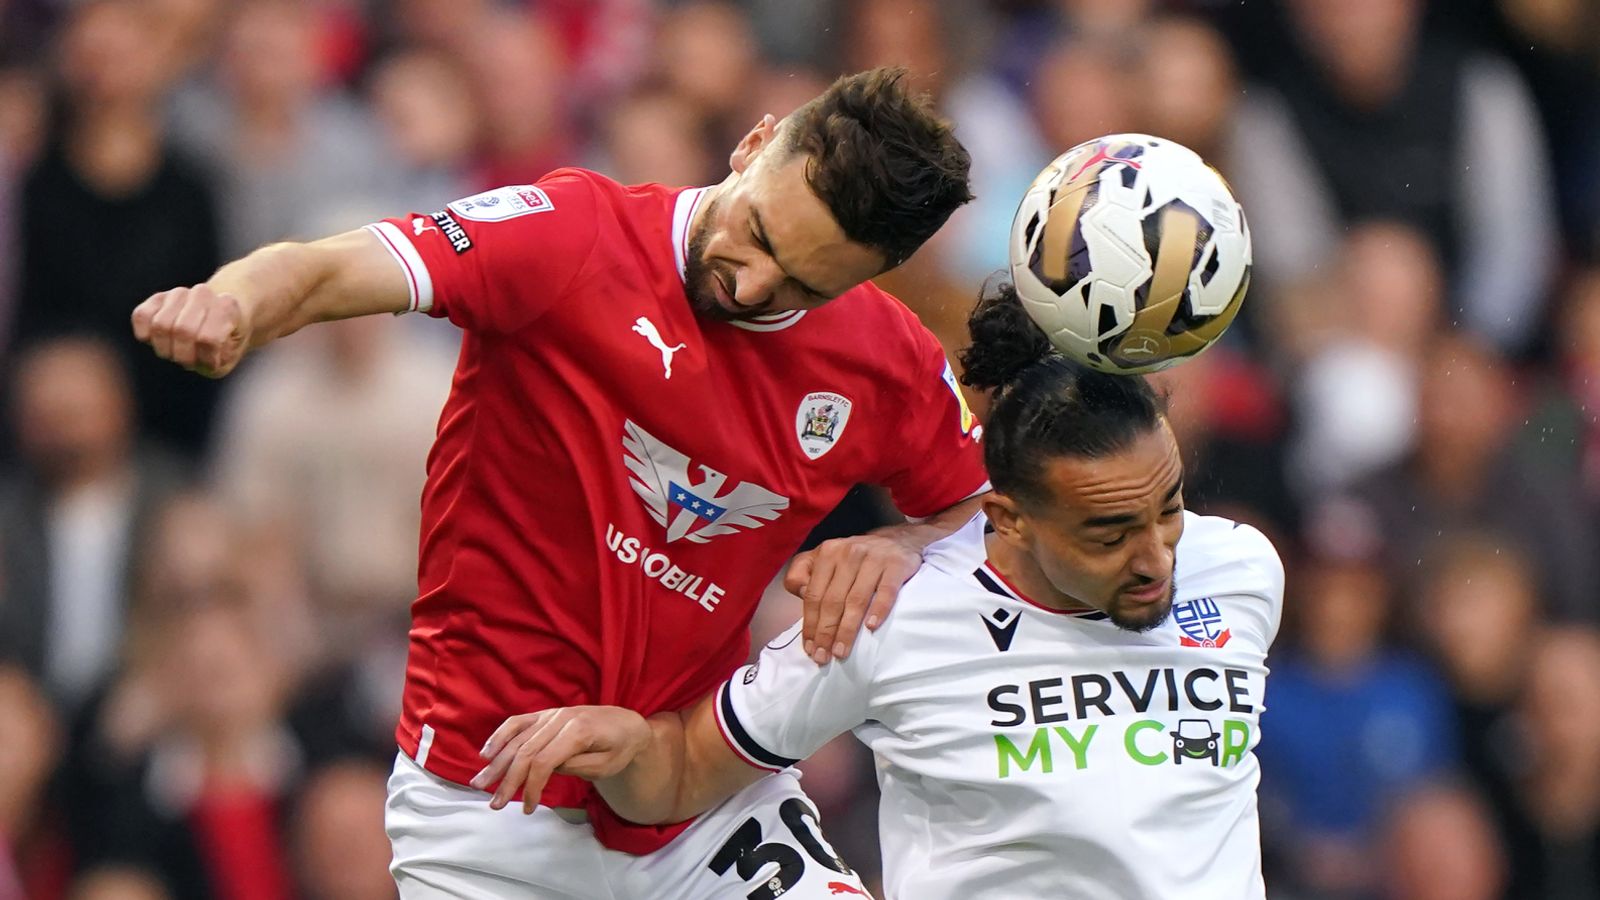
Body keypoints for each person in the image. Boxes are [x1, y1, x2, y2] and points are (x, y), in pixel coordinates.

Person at [132, 67, 988, 898]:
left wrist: (904, 542)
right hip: (484, 804)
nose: (753, 284)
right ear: (752, 144)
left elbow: (990, 514)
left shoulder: (887, 363)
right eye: (759, 235)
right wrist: (231, 300)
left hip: (703, 808)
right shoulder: (572, 233)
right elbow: (333, 268)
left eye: (806, 284)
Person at [475, 279, 1287, 899]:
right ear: (1006, 518)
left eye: (1170, 509)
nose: (1155, 559)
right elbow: (683, 773)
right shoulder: (886, 620)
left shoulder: (1244, 571)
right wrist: (622, 744)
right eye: (1108, 535)